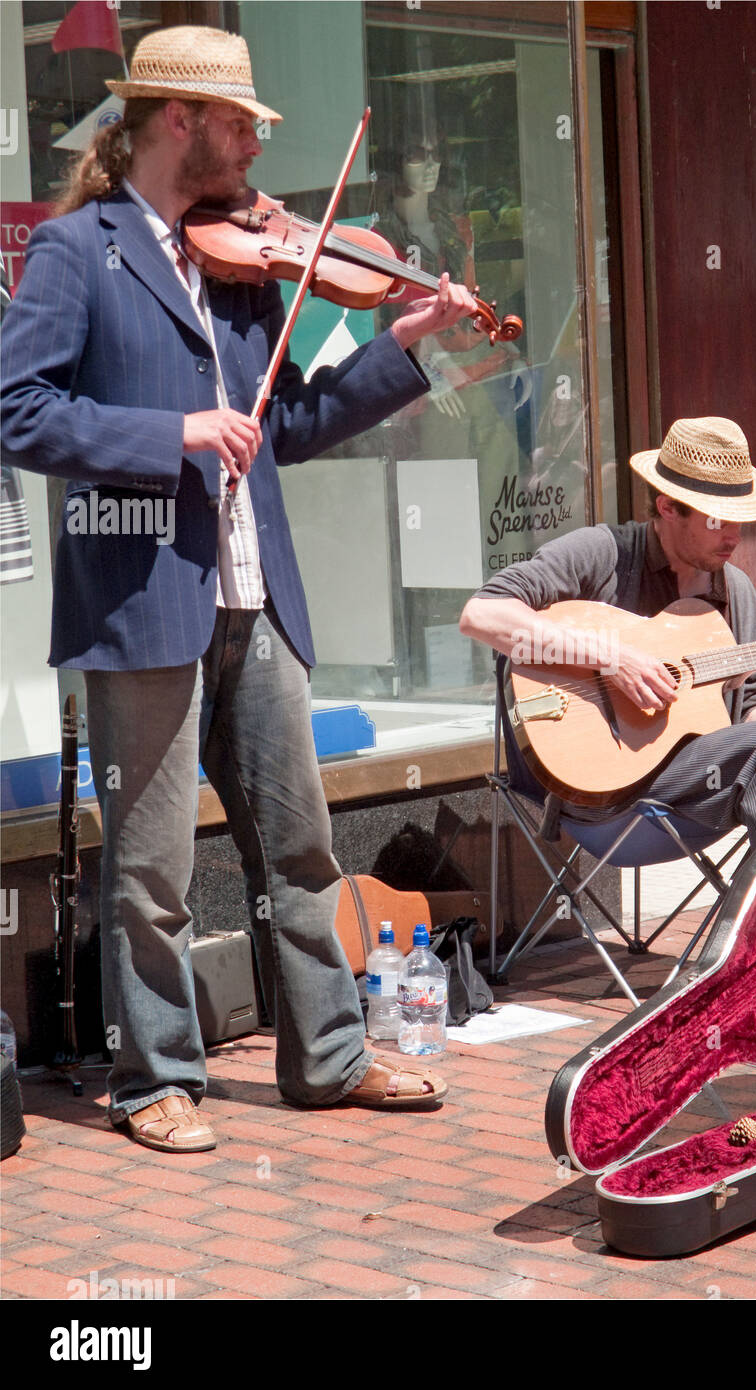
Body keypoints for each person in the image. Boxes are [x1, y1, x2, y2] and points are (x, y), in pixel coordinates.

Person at [0, 26, 484, 1152]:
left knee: (300, 848)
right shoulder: (80, 251)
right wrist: (167, 431)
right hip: (142, 600)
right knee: (155, 868)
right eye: (241, 126)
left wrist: (401, 345)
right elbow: (15, 410)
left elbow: (288, 428)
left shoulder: (242, 261)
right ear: (180, 120)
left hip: (256, 598)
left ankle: (329, 1057)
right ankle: (153, 1077)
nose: (259, 151)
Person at [460, 417, 756, 1020]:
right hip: (605, 797)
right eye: (714, 518)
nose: (732, 534)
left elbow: (755, 713)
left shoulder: (736, 594)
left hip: (698, 785)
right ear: (667, 507)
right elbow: (480, 614)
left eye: (738, 518)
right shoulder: (602, 553)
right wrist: (611, 656)